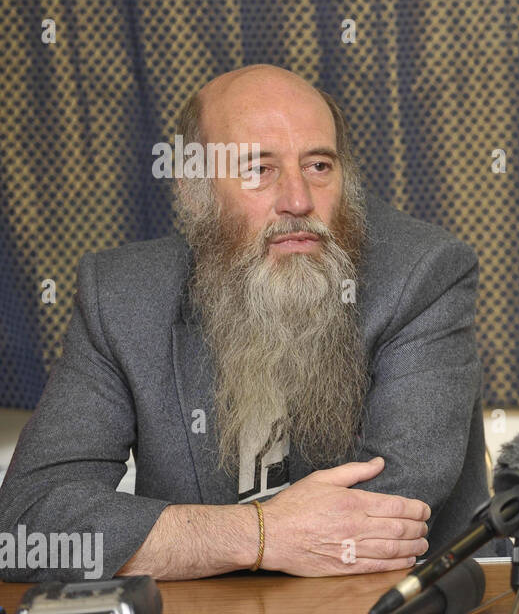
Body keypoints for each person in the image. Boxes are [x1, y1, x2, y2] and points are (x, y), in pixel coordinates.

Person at [0, 65, 489, 583]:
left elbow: (384, 520)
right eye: (258, 168)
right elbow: (29, 530)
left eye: (320, 165)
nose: (298, 201)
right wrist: (258, 535)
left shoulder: (424, 273)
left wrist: (184, 543)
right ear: (194, 190)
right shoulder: (121, 295)